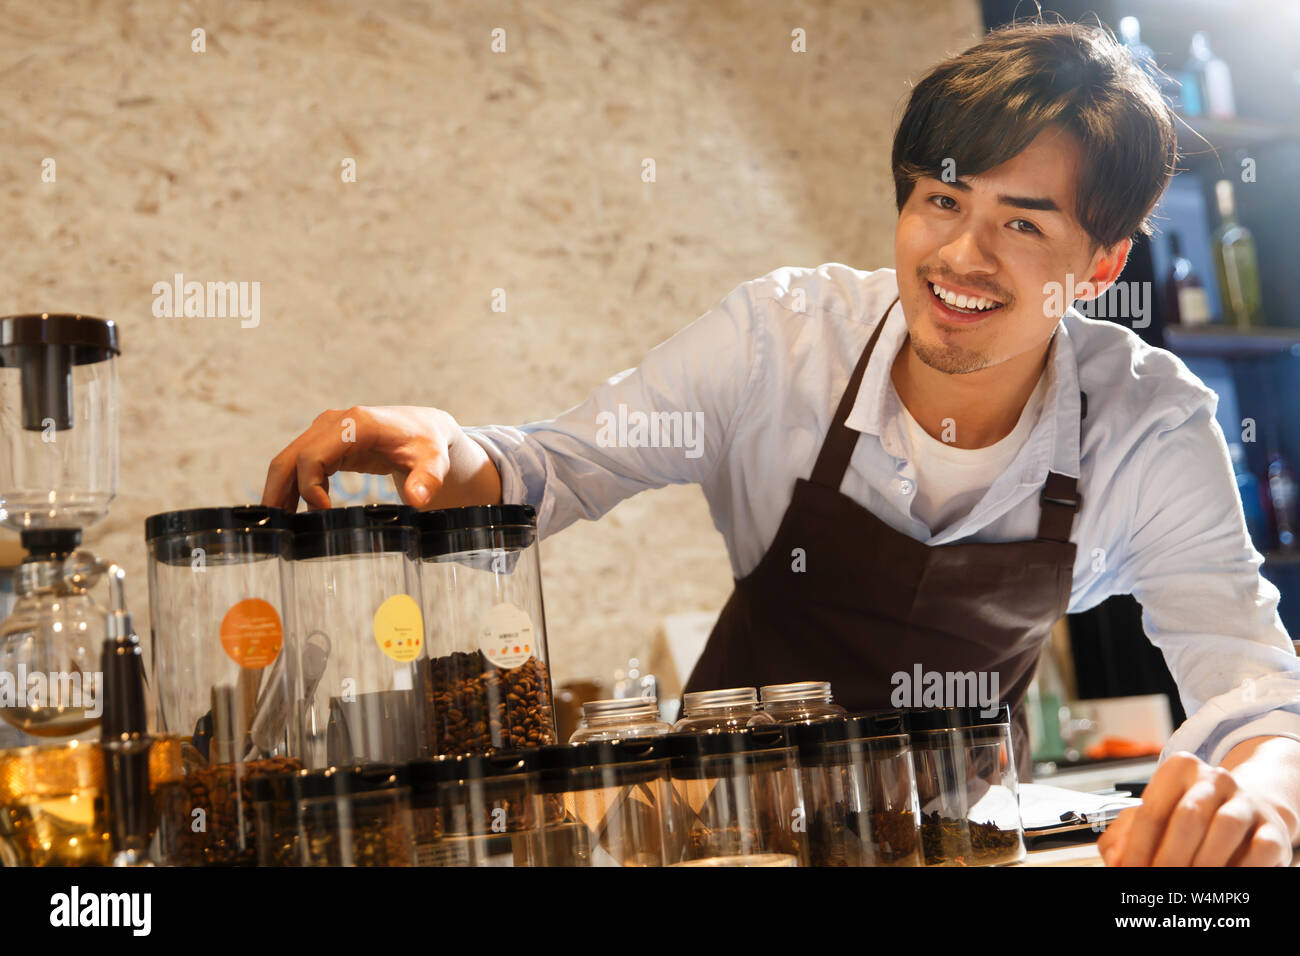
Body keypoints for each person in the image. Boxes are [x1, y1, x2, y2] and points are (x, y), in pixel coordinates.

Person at [262, 21, 1300, 866]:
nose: (960, 255)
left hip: (953, 841)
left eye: (1022, 225)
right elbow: (559, 467)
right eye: (941, 199)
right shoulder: (780, 340)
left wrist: (1263, 794)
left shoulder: (1146, 422)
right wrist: (454, 454)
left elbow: (1251, 677)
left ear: (1101, 260)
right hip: (714, 830)